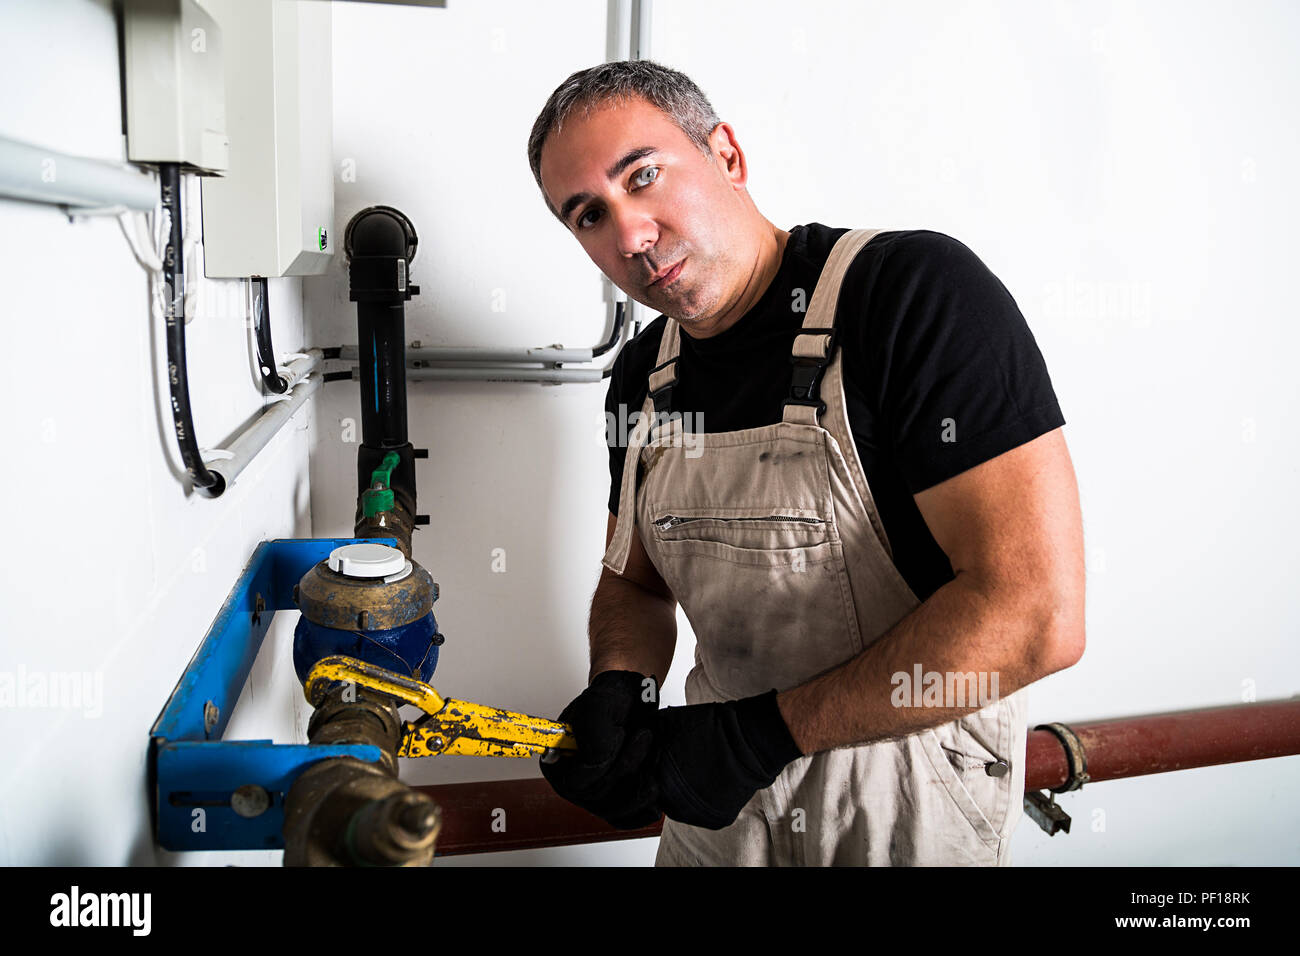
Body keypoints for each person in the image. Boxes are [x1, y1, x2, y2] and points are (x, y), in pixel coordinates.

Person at [527, 60, 1085, 866]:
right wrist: (625, 687)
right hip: (715, 817)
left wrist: (766, 735)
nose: (631, 236)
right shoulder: (643, 378)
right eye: (589, 215)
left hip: (899, 813)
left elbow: (1036, 615)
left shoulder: (909, 299)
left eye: (642, 176)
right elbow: (633, 582)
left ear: (726, 154)